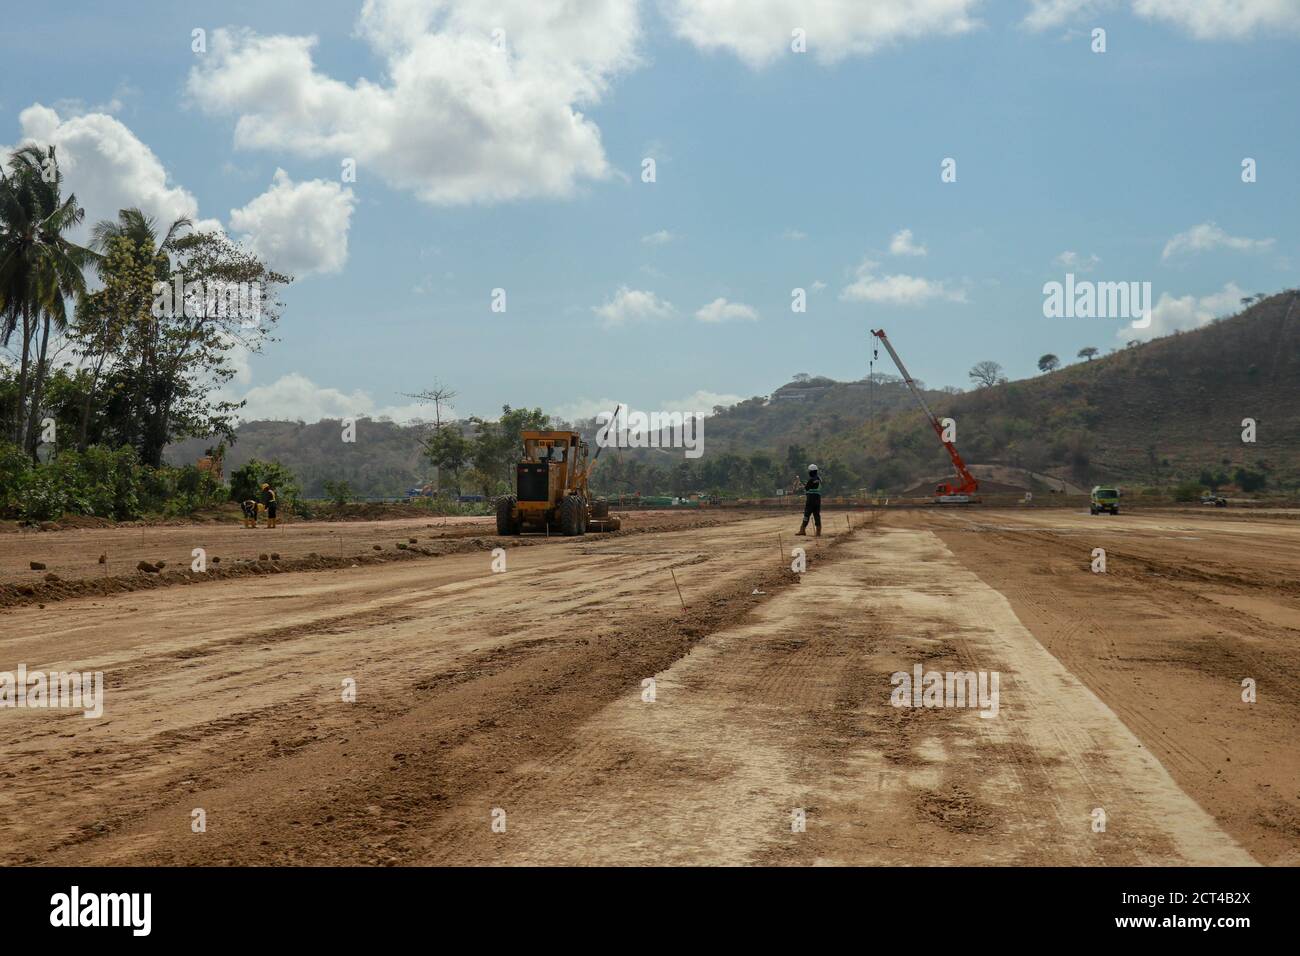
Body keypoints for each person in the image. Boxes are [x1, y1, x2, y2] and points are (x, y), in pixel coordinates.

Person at [794, 464, 821, 536]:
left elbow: (806, 488)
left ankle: (802, 530)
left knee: (806, 514)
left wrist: (800, 484)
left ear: (810, 472)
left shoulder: (811, 480)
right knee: (816, 515)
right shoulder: (819, 479)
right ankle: (818, 531)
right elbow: (811, 486)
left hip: (811, 499)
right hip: (818, 499)